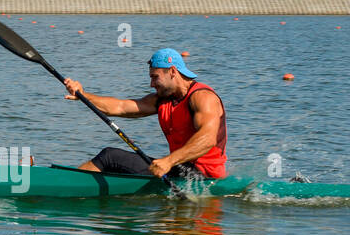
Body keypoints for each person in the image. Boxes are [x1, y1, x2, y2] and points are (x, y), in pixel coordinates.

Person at [62, 48, 227, 180]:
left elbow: (208, 139)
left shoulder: (202, 97)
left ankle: (66, 184)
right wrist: (83, 95)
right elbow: (120, 107)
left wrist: (169, 161)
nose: (151, 84)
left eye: (155, 77)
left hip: (204, 175)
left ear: (172, 72)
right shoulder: (163, 99)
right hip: (180, 167)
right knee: (115, 162)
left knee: (110, 157)